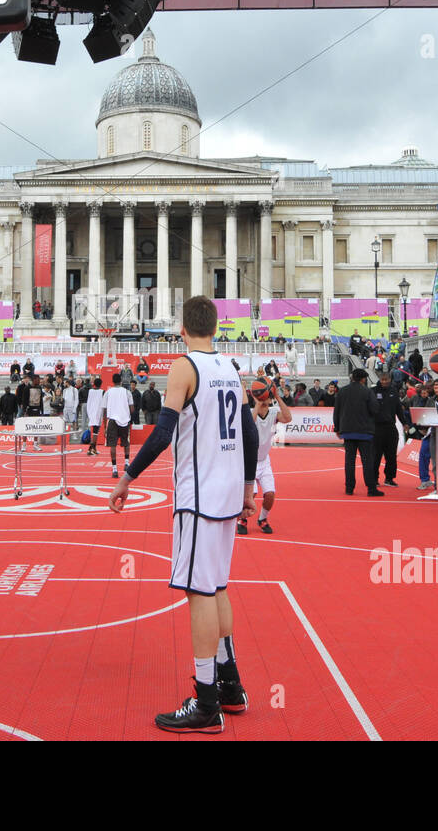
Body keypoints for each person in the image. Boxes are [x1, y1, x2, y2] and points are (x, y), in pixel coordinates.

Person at [108, 296, 257, 734]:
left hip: (200, 494)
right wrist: (249, 486)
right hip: (228, 490)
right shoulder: (230, 368)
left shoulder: (183, 368)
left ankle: (206, 701)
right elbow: (248, 431)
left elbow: (163, 433)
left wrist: (127, 477)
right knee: (218, 587)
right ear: (214, 325)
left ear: (182, 327)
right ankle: (230, 687)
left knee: (198, 592)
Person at [241, 381, 291, 535]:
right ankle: (241, 520)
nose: (266, 398)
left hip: (264, 462)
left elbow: (288, 418)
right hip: (248, 462)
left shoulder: (274, 412)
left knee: (270, 494)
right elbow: (248, 426)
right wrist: (257, 404)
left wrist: (277, 395)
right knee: (251, 494)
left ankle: (263, 519)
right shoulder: (250, 412)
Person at [333, 369, 382, 497]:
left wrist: (337, 428)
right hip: (364, 431)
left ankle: (349, 488)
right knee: (367, 461)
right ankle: (371, 488)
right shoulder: (367, 391)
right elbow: (374, 409)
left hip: (347, 430)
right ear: (363, 379)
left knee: (349, 461)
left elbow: (336, 411)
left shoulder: (342, 391)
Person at [370, 373, 405, 488]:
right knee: (376, 455)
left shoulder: (394, 391)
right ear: (379, 379)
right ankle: (374, 479)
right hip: (376, 428)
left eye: (386, 379)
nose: (384, 381)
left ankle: (389, 478)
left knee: (391, 455)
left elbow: (398, 409)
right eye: (382, 379)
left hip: (390, 427)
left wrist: (404, 423)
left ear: (390, 379)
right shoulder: (373, 391)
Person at [103, 373, 133, 478]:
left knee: (112, 445)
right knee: (126, 442)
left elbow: (104, 410)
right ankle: (126, 463)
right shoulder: (127, 392)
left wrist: (104, 425)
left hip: (112, 420)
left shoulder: (108, 392)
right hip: (124, 419)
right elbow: (132, 408)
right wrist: (128, 415)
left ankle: (114, 469)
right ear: (121, 381)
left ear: (112, 381)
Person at [85, 378, 105, 456]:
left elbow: (89, 401)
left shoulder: (90, 391)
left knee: (95, 431)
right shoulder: (102, 392)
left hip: (91, 411)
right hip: (98, 412)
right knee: (95, 432)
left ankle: (93, 448)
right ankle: (91, 448)